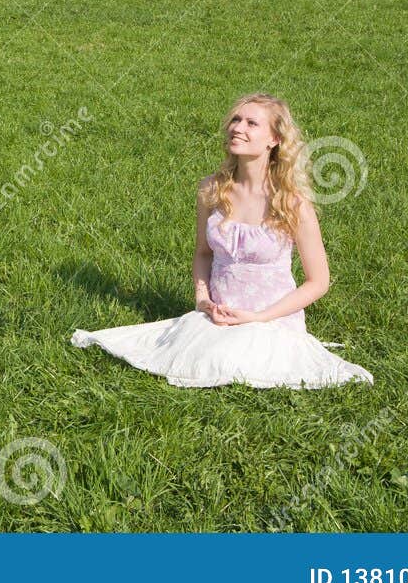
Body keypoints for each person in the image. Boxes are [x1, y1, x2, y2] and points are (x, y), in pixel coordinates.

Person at [71, 93, 373, 389]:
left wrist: (258, 317)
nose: (237, 128)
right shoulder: (212, 190)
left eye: (251, 123)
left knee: (233, 362)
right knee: (200, 357)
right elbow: (203, 253)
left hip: (271, 321)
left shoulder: (293, 203)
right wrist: (203, 300)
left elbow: (318, 282)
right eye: (235, 120)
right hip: (217, 316)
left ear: (274, 139)